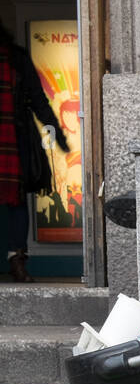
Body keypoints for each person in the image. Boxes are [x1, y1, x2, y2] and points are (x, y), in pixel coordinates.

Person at [0, 21, 69, 282]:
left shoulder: (16, 58)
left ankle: (18, 261)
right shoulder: (15, 57)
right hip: (13, 138)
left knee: (17, 202)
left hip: (14, 138)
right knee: (17, 204)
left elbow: (38, 100)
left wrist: (60, 138)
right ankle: (18, 262)